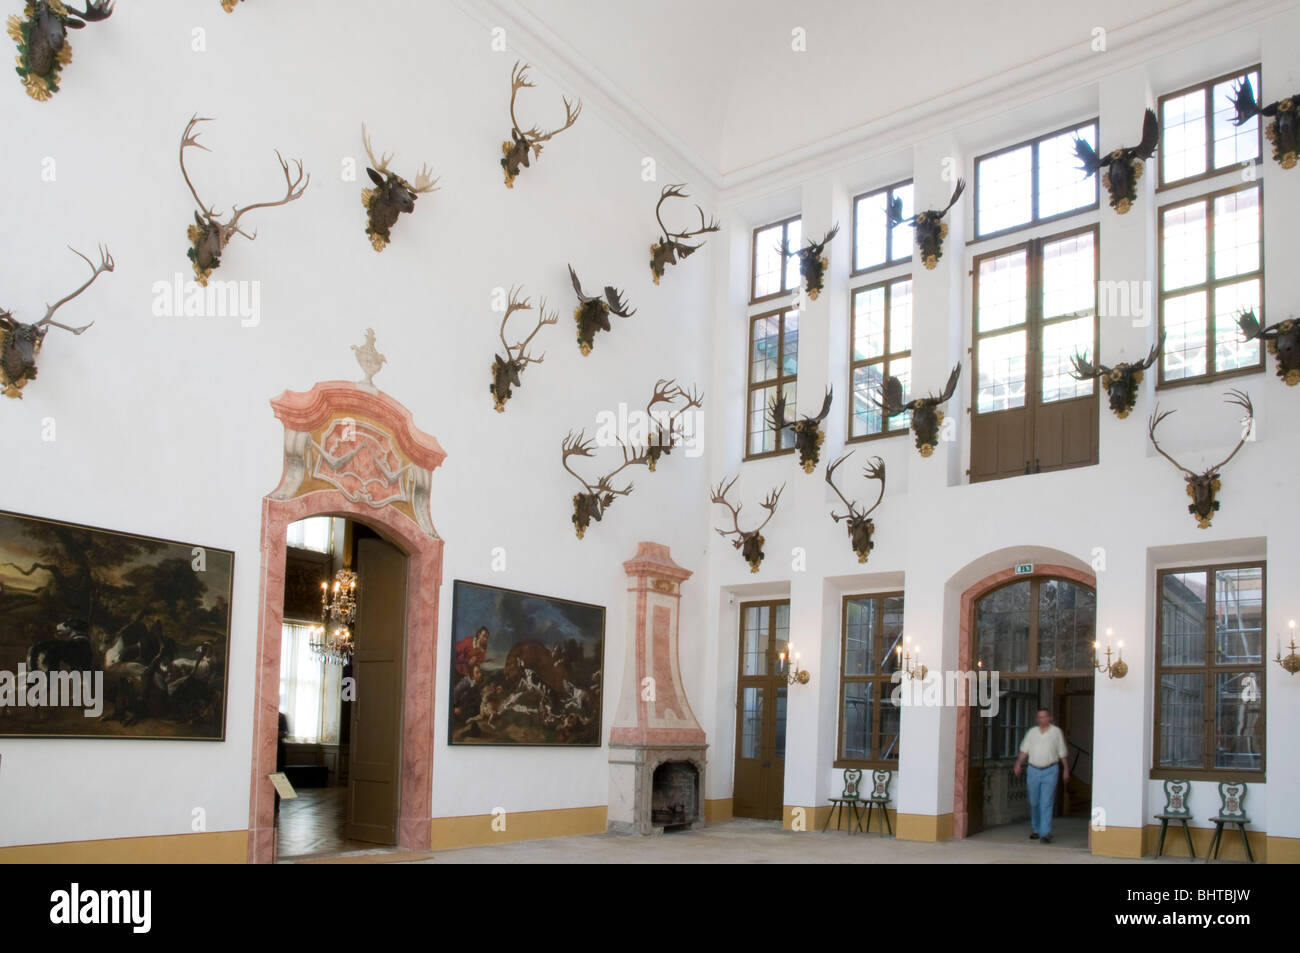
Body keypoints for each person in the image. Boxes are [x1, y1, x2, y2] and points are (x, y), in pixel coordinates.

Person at [1013, 707, 1069, 844]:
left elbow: (1062, 752)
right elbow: (1024, 750)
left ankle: (1045, 832)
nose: (1041, 719)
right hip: (1033, 770)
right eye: (1039, 717)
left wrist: (1066, 769)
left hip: (1050, 770)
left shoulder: (1056, 732)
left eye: (1044, 716)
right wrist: (1018, 764)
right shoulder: (1032, 733)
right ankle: (1036, 829)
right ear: (1037, 719)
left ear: (1050, 718)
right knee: (1034, 801)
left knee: (1046, 802)